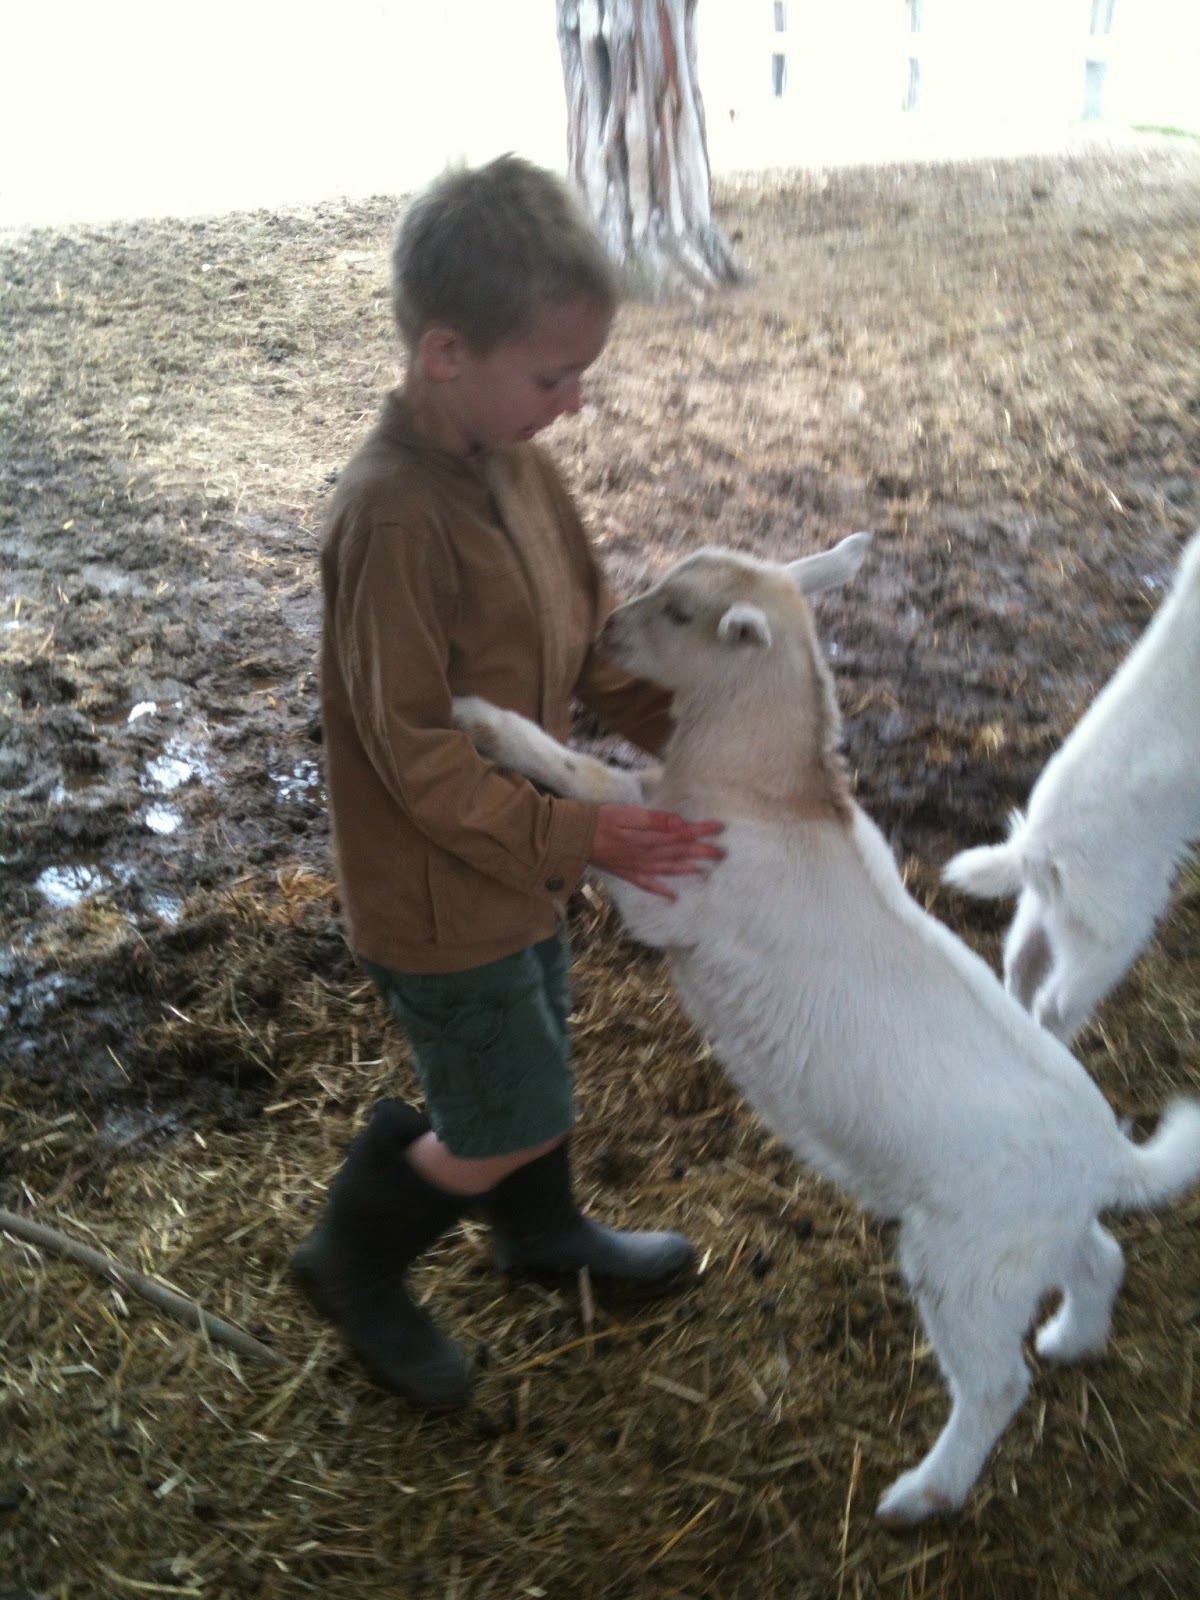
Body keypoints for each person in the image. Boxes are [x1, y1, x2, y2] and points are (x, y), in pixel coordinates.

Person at [292, 154, 724, 1407]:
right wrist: (580, 834)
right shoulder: (388, 521)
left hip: (517, 864)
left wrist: (698, 728)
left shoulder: (519, 465)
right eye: (554, 375)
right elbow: (416, 757)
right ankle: (355, 1256)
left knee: (533, 1051)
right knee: (505, 1104)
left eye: (581, 371)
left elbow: (587, 639)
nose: (576, 401)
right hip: (436, 891)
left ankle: (539, 1233)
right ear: (443, 352)